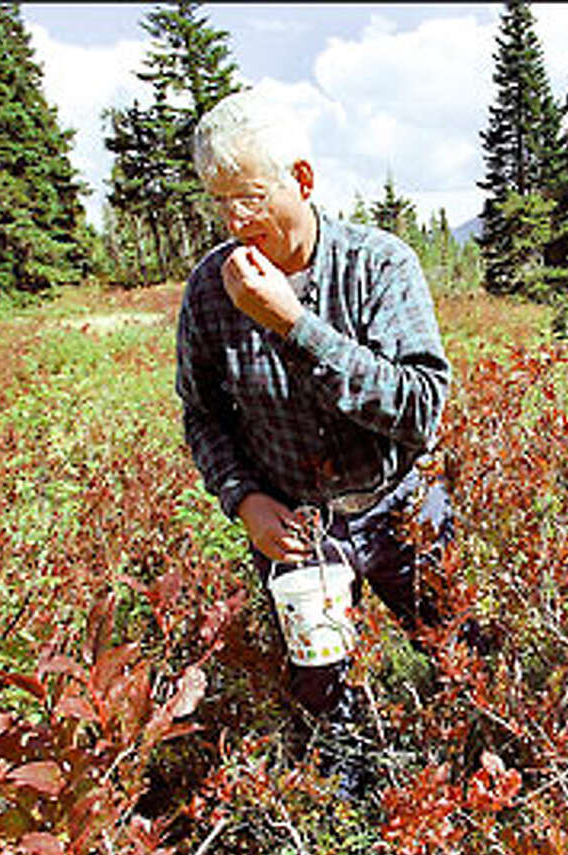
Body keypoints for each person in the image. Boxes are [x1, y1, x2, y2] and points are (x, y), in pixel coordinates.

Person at [175, 87, 479, 788]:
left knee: (456, 652)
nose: (234, 221)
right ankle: (352, 819)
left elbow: (420, 409)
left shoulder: (380, 266)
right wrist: (243, 498)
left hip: (405, 504)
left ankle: (473, 787)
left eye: (249, 198)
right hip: (296, 529)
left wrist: (294, 325)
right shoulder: (208, 291)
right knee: (324, 696)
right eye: (218, 202)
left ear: (302, 180)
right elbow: (203, 416)